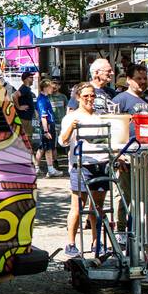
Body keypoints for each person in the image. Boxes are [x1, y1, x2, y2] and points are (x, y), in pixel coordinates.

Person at [59, 82, 111, 258]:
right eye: (86, 96)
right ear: (78, 98)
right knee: (77, 206)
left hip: (101, 164)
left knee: (98, 207)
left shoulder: (100, 117)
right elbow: (62, 142)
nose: (90, 99)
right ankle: (71, 243)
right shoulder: (71, 117)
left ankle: (97, 242)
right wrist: (71, 128)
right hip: (81, 166)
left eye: (92, 95)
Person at [34, 79, 63, 177]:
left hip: (47, 125)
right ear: (46, 87)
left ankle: (36, 167)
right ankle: (50, 169)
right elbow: (43, 116)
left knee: (42, 147)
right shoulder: (42, 100)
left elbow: (37, 113)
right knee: (48, 148)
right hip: (47, 126)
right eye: (51, 87)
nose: (53, 88)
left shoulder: (44, 98)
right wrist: (46, 130)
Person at [15, 71, 37, 142]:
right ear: (26, 79)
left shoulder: (26, 89)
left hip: (26, 117)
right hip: (24, 118)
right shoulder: (24, 88)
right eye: (31, 77)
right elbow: (14, 95)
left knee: (28, 136)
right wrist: (18, 107)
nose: (33, 79)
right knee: (27, 137)